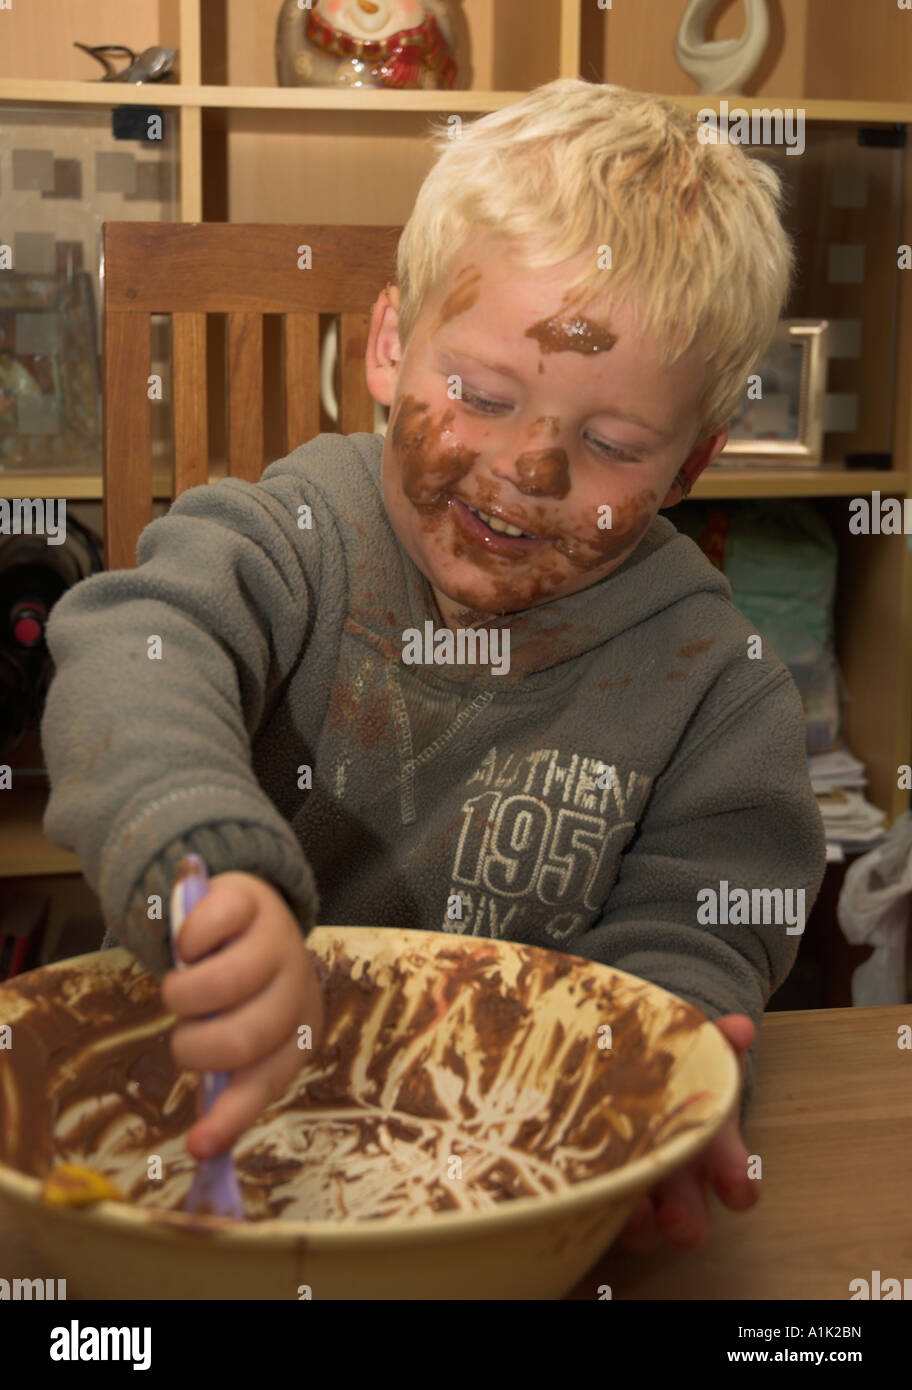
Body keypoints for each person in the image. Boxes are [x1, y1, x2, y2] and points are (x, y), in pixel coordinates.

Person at [41, 78, 826, 1256]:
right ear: (390, 346)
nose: (531, 469)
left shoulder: (718, 684)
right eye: (480, 394)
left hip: (492, 1179)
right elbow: (130, 653)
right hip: (190, 1135)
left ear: (691, 463)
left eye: (611, 444)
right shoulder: (286, 538)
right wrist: (207, 870)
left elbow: (697, 933)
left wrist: (653, 1079)